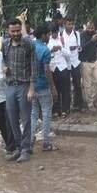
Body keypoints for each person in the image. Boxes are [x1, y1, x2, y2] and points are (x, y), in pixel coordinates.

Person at [1, 18, 36, 162]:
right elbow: (2, 60)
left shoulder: (28, 44)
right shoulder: (5, 45)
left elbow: (34, 67)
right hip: (10, 86)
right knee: (12, 118)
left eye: (18, 30)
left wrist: (32, 89)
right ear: (8, 31)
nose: (16, 33)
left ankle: (26, 150)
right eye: (12, 31)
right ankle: (19, 148)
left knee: (26, 119)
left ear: (21, 29)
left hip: (24, 85)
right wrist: (3, 68)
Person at [31, 23, 57, 151]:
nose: (49, 36)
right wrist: (52, 87)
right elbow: (47, 70)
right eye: (48, 34)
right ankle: (46, 142)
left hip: (31, 86)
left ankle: (30, 139)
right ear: (43, 35)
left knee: (34, 113)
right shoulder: (45, 50)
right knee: (46, 113)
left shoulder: (30, 45)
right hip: (42, 85)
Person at [78, 20, 97, 110]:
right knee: (87, 85)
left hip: (95, 62)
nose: (90, 29)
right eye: (88, 27)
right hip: (85, 62)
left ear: (95, 27)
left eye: (92, 27)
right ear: (86, 27)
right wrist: (91, 41)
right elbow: (81, 48)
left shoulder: (96, 34)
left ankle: (94, 99)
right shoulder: (82, 35)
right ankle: (90, 105)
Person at [57, 17, 85, 112]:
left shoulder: (77, 34)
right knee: (66, 86)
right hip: (65, 63)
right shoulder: (60, 35)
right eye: (69, 24)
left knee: (78, 85)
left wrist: (77, 48)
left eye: (72, 24)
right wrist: (68, 49)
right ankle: (67, 107)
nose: (71, 26)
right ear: (64, 24)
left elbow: (79, 47)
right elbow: (61, 49)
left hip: (75, 62)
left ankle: (80, 105)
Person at [48, 20, 71, 118]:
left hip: (62, 67)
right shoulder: (47, 41)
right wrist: (51, 50)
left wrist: (61, 48)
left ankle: (65, 110)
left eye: (56, 32)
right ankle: (56, 110)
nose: (54, 34)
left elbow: (68, 54)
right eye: (52, 33)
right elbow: (44, 55)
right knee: (55, 90)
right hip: (52, 68)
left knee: (64, 90)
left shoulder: (62, 39)